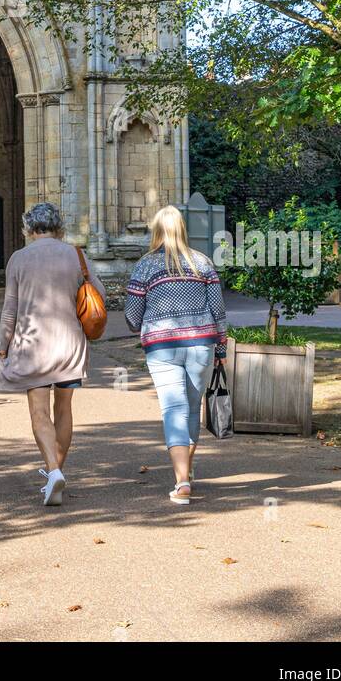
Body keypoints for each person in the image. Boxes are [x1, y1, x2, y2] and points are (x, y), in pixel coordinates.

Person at [0, 202, 105, 507]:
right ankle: (56, 471)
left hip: (33, 344)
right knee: (64, 410)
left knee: (39, 412)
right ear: (59, 227)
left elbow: (10, 310)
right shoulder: (76, 255)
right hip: (69, 343)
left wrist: (4, 346)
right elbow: (101, 295)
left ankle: (54, 472)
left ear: (29, 228)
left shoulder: (18, 258)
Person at [124, 205, 228, 504]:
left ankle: (182, 481)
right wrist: (221, 348)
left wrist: (141, 325)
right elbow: (218, 311)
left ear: (156, 231)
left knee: (173, 409)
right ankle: (186, 472)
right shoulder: (202, 263)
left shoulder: (145, 266)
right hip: (200, 345)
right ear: (183, 229)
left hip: (162, 346)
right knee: (192, 409)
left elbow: (133, 314)